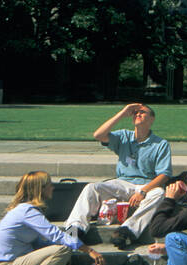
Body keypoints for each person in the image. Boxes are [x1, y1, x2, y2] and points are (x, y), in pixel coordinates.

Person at [0, 171, 104, 265]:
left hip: (11, 264)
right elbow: (55, 235)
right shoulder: (27, 212)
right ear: (40, 189)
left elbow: (40, 243)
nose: (53, 188)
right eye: (49, 185)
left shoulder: (25, 210)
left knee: (62, 247)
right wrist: (89, 250)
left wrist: (69, 242)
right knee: (63, 249)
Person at [64, 102, 172, 249]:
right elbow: (98, 135)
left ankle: (127, 231)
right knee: (92, 187)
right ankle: (75, 229)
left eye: (143, 112)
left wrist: (143, 191)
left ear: (152, 119)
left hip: (146, 185)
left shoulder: (161, 144)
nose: (138, 114)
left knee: (159, 193)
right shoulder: (123, 136)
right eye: (135, 113)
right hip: (122, 183)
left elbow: (164, 175)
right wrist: (122, 113)